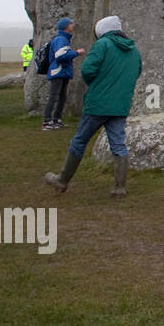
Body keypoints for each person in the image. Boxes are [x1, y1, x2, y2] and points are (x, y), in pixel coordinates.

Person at [45, 15, 142, 197]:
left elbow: (88, 70)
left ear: (102, 31)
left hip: (98, 103)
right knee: (118, 144)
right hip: (120, 104)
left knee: (80, 141)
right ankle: (119, 187)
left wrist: (98, 83)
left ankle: (62, 180)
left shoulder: (103, 45)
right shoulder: (133, 50)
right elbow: (136, 71)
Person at [43, 17, 84, 130]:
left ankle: (56, 119)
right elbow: (60, 56)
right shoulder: (61, 39)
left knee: (62, 97)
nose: (73, 25)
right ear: (66, 26)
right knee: (54, 96)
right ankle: (47, 120)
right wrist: (76, 53)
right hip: (58, 71)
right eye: (71, 23)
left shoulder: (64, 39)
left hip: (63, 71)